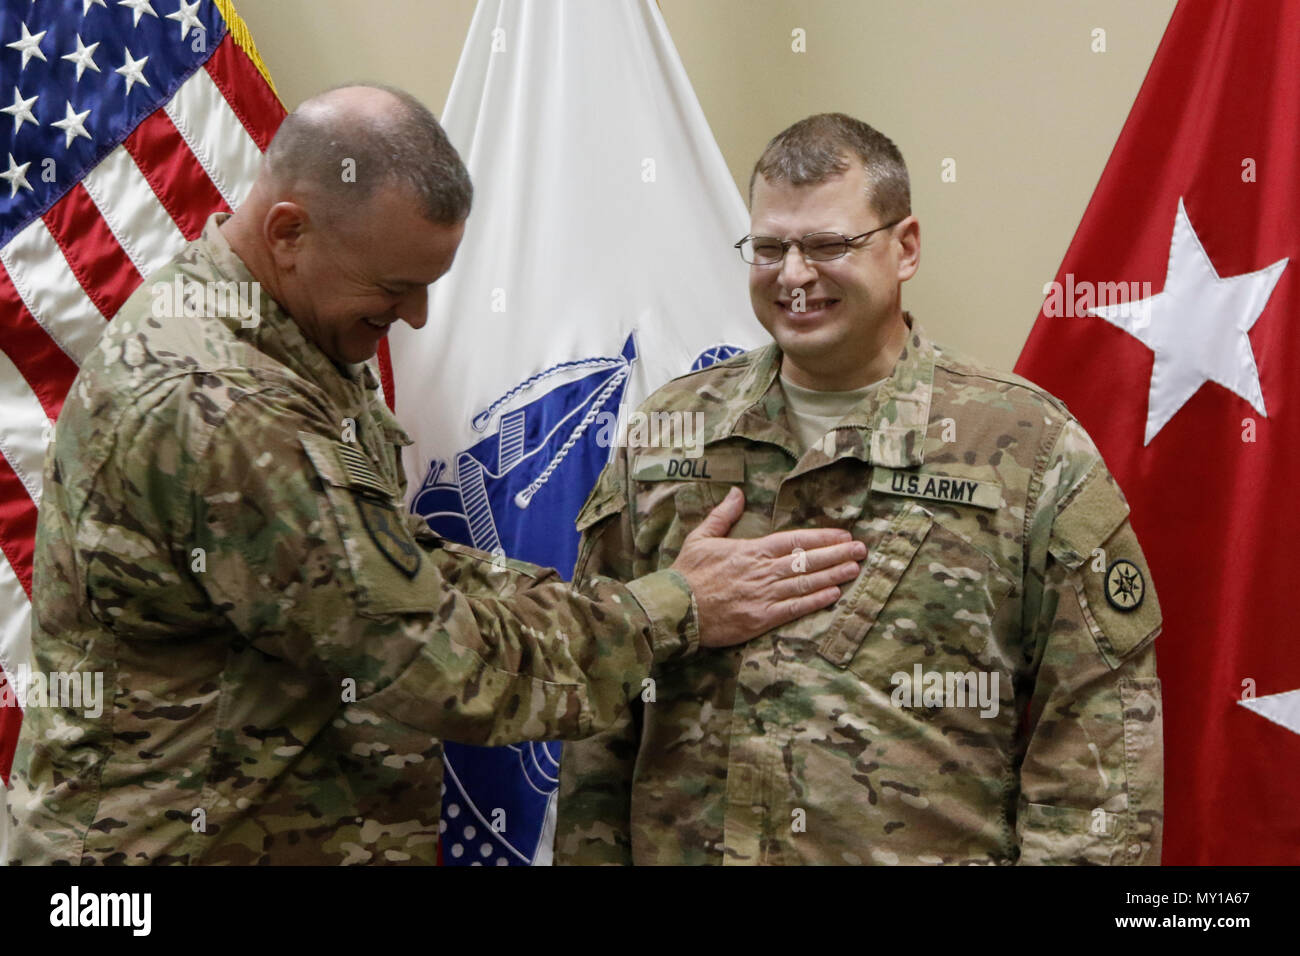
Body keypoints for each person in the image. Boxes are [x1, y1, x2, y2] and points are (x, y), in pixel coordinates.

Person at [5, 87, 868, 866]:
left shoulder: (283, 330)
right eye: (396, 285)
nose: (412, 316)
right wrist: (672, 609)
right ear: (288, 232)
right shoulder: (223, 405)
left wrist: (626, 598)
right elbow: (432, 660)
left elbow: (400, 559)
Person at [555, 113, 1164, 866]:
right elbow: (600, 708)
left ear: (904, 247)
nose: (794, 276)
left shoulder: (1027, 447)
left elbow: (1098, 735)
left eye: (829, 246)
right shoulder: (668, 434)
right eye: (770, 248)